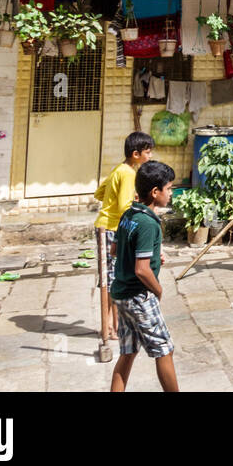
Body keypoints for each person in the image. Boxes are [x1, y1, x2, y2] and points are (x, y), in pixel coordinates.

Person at [109, 160, 178, 392]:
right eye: (168, 188)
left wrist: (155, 256)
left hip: (120, 294)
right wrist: (157, 289)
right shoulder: (148, 223)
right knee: (164, 348)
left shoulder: (129, 213)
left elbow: (115, 250)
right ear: (155, 192)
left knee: (128, 352)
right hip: (138, 296)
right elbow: (141, 269)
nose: (170, 193)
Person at [93, 131, 155, 342]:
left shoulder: (119, 169)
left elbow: (99, 193)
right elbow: (123, 207)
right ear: (136, 154)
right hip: (111, 229)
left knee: (110, 276)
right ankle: (109, 326)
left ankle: (112, 325)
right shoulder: (128, 173)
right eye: (147, 152)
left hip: (105, 225)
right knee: (111, 278)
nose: (150, 155)